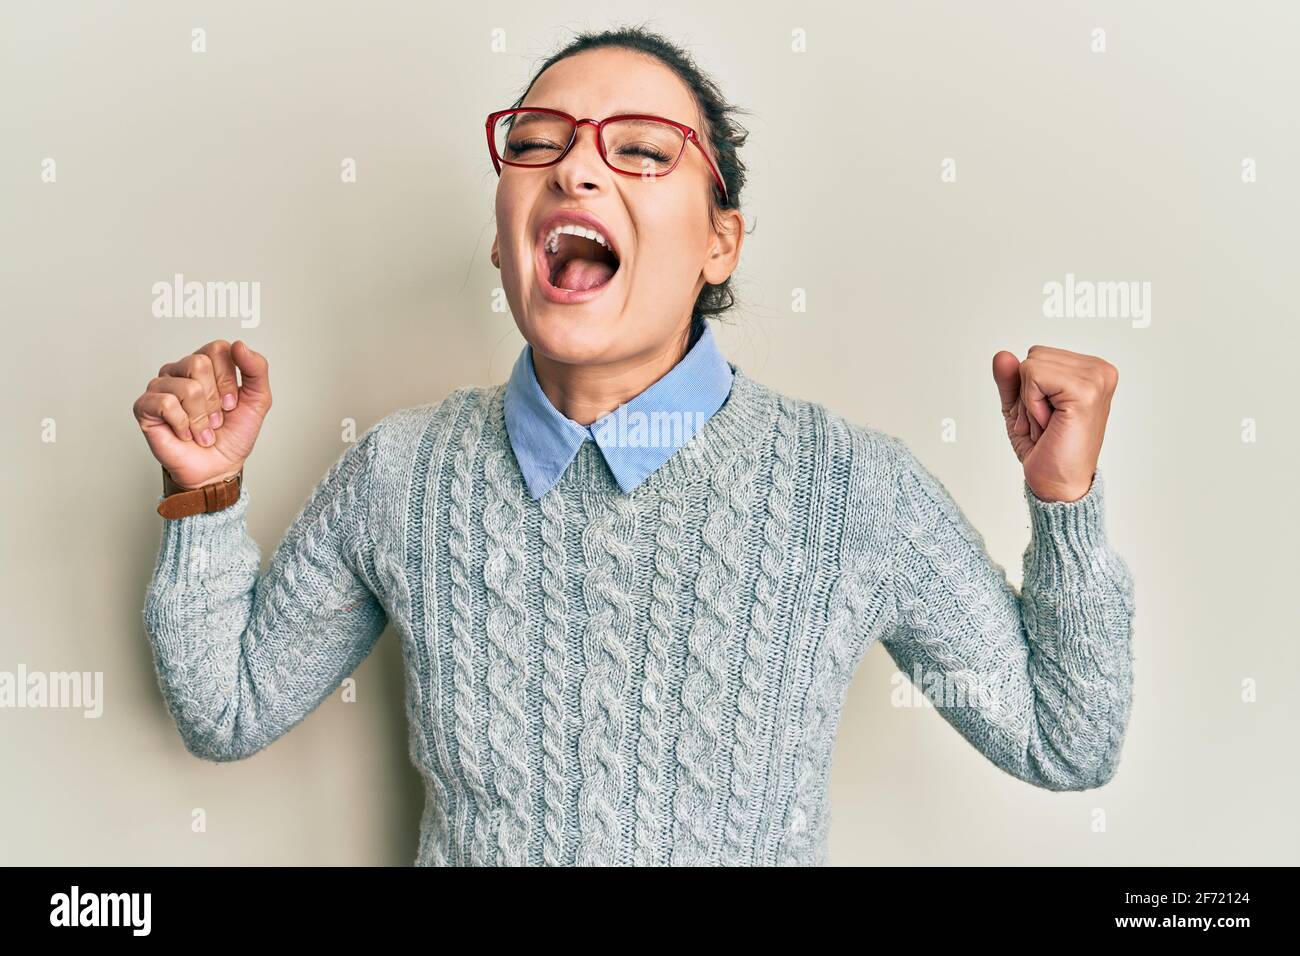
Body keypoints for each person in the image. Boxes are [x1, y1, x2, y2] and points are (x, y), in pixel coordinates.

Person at [135, 27, 1134, 867]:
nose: (575, 165)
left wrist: (1067, 505)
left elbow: (1065, 739)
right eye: (536, 143)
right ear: (500, 234)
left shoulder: (851, 489)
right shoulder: (402, 473)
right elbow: (227, 712)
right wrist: (205, 493)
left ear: (719, 243)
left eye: (644, 151)